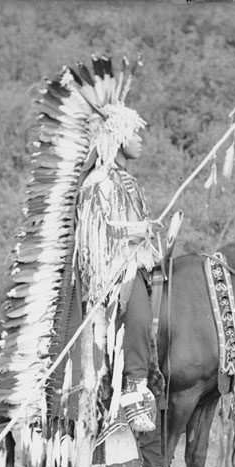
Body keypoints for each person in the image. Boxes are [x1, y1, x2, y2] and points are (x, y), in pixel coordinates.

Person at [74, 106, 160, 434]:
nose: (140, 140)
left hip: (137, 261)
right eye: (134, 134)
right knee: (137, 313)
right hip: (111, 271)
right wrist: (134, 231)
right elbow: (94, 232)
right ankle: (133, 393)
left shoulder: (128, 182)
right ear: (119, 139)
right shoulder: (97, 182)